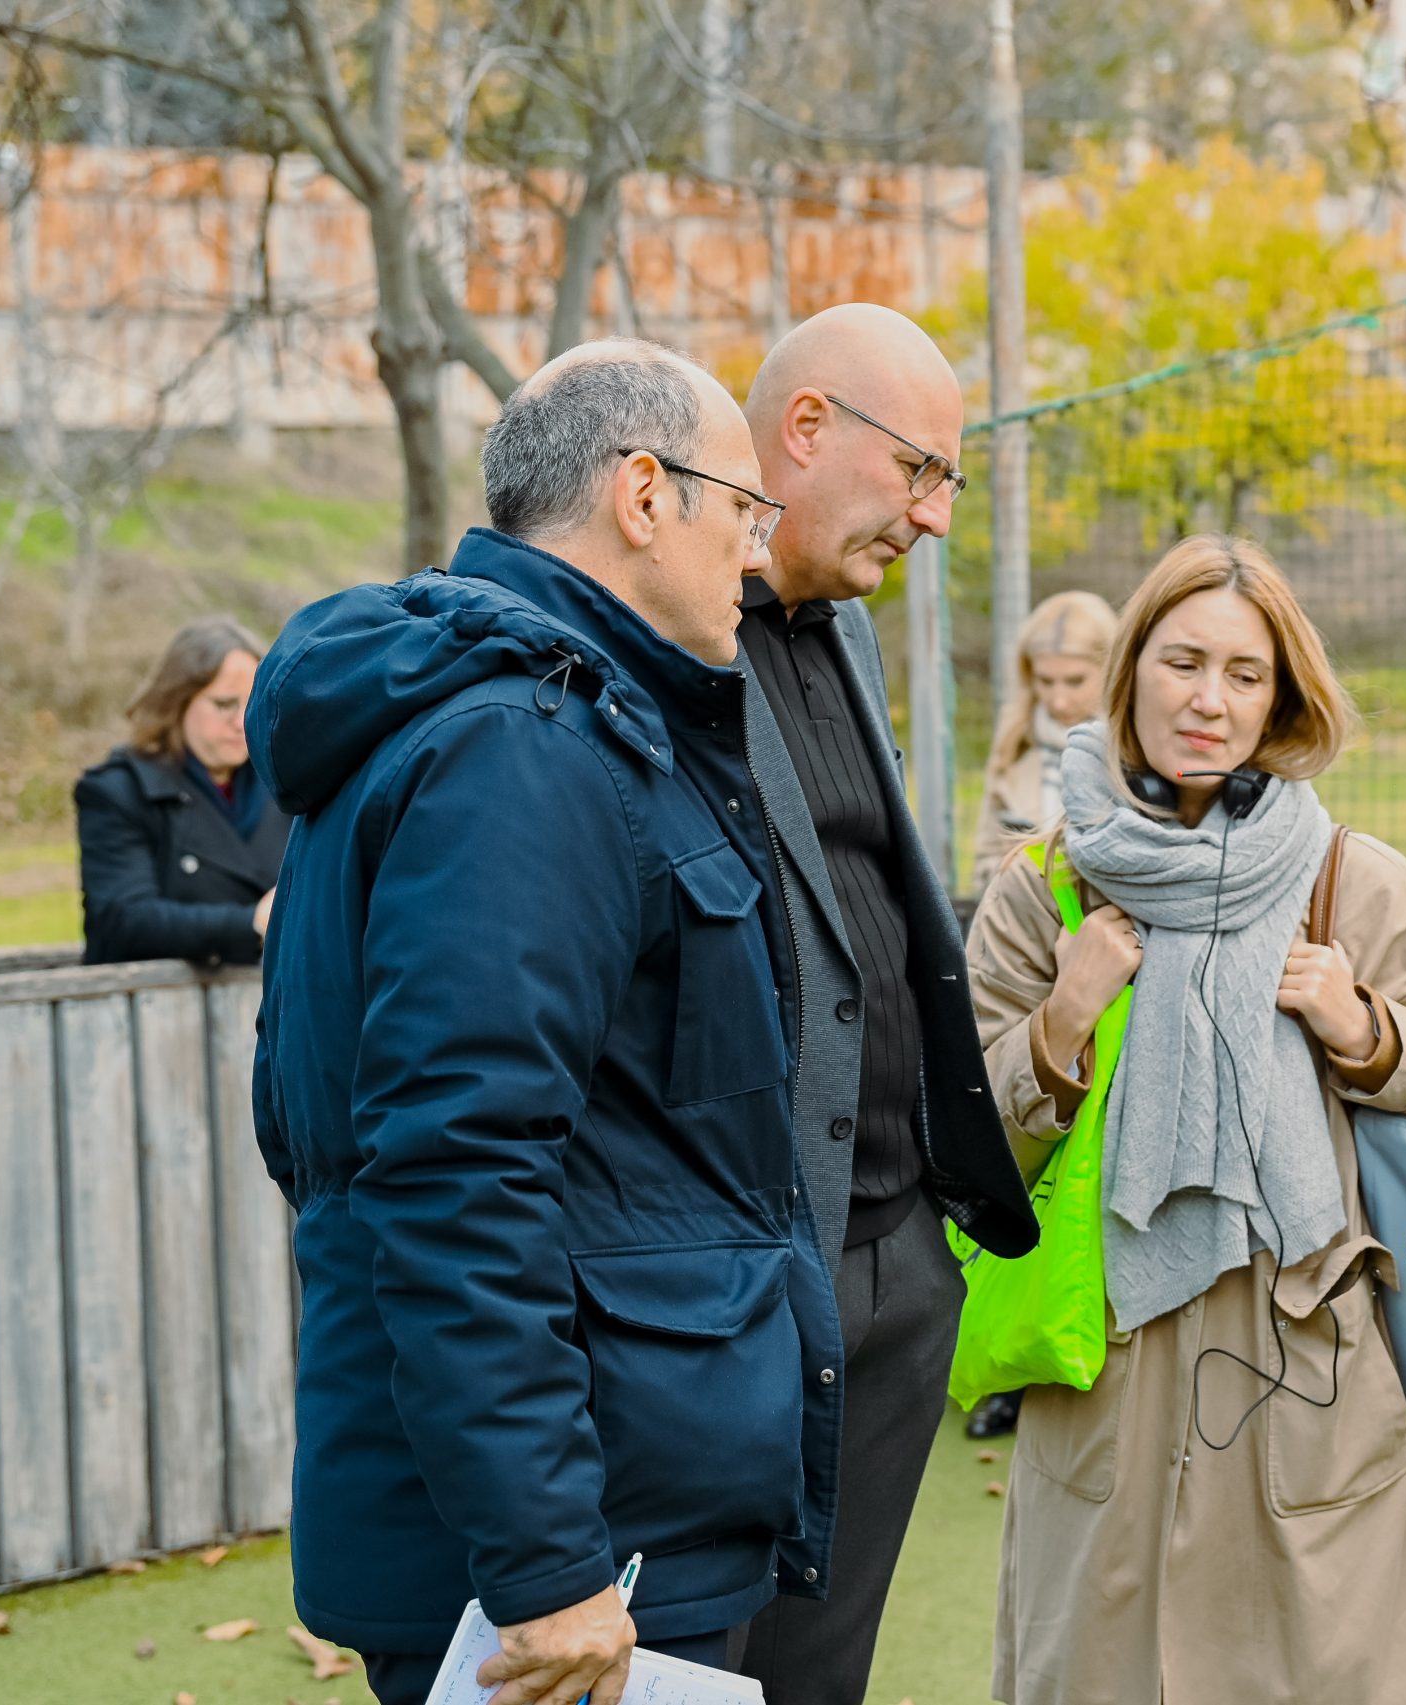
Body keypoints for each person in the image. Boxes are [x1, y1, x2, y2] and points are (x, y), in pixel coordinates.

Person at [248, 339, 844, 1705]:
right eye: (745, 509)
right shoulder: (527, 747)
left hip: (609, 1489)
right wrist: (549, 1561)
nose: (757, 556)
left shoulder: (540, 723)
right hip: (578, 1541)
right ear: (646, 495)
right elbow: (459, 1172)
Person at [965, 534, 1406, 1705]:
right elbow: (966, 1159)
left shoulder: (1352, 879)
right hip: (1104, 1362)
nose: (1209, 700)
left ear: (1281, 698)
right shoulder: (1039, 887)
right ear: (1129, 670)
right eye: (1182, 661)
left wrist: (1364, 1028)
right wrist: (1062, 1022)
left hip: (1308, 1364)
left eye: (1244, 675)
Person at [733, 303, 1040, 1704]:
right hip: (747, 1261)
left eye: (949, 485)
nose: (933, 518)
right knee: (697, 1657)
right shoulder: (657, 635)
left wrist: (917, 1238)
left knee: (821, 1673)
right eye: (920, 472)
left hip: (897, 1256)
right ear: (805, 432)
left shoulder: (844, 634)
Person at [76, 616, 287, 966]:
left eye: (252, 702)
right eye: (224, 704)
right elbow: (122, 920)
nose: (241, 722)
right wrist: (251, 922)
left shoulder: (286, 784)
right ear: (176, 702)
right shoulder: (119, 790)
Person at [971, 589, 1118, 889]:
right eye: (1045, 681)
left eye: (1075, 681)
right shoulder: (1015, 740)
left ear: (1113, 671)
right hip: (1027, 921)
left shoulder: (1139, 743)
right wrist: (1008, 871)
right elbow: (983, 863)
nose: (1058, 701)